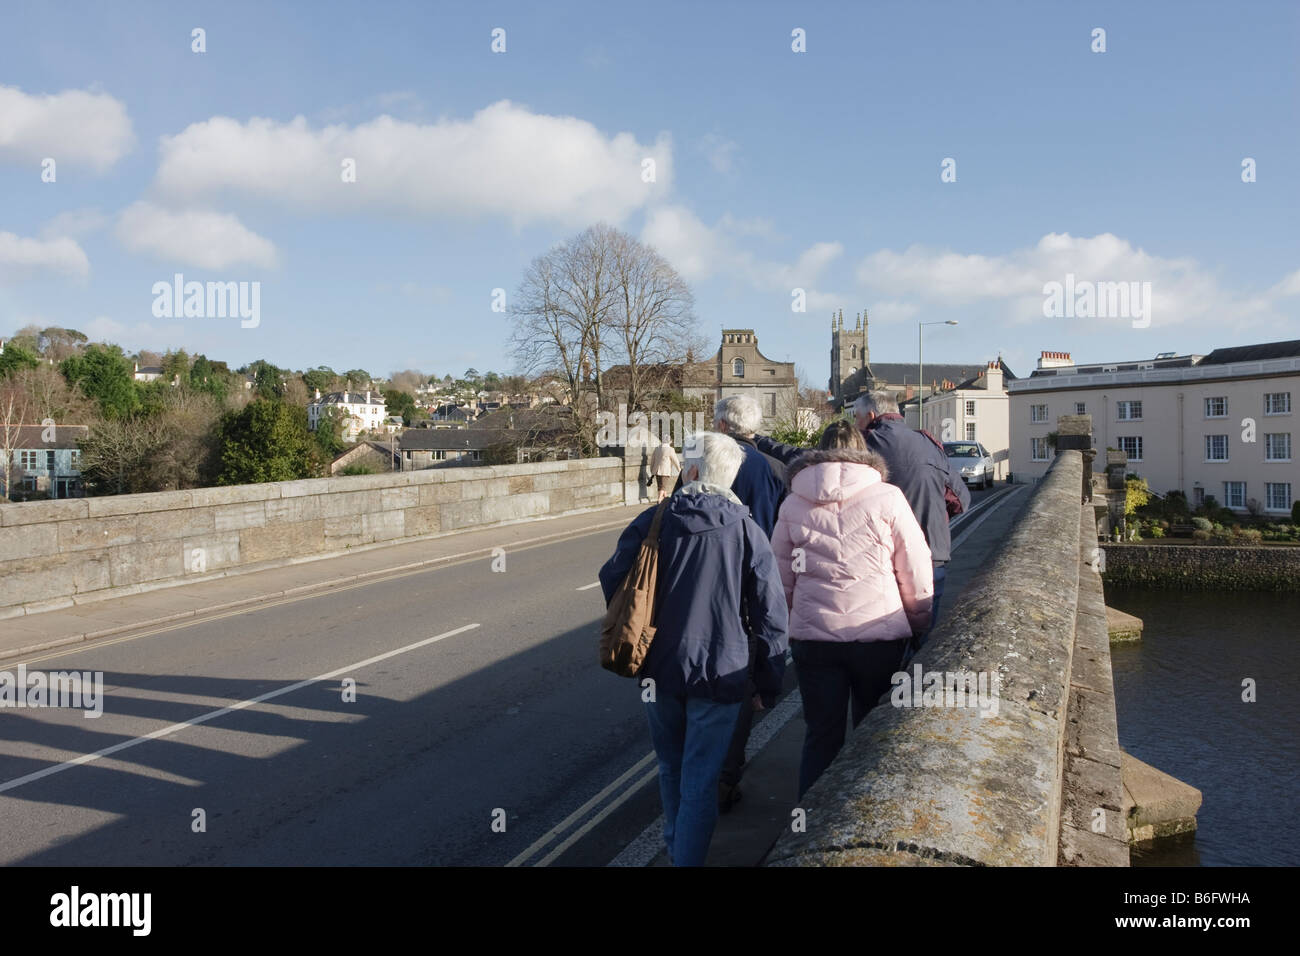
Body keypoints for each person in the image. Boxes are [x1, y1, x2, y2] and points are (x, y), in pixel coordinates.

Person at [598, 432, 788, 866]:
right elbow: (771, 614)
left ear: (693, 471)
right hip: (721, 673)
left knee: (670, 769)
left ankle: (675, 846)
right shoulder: (747, 529)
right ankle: (685, 858)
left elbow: (613, 578)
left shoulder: (654, 520)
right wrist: (769, 684)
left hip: (657, 670)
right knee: (701, 782)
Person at [770, 421, 933, 797]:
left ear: (818, 452)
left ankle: (808, 829)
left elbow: (780, 577)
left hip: (814, 640)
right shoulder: (888, 497)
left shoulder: (793, 503)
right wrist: (918, 620)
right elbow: (916, 566)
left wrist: (791, 622)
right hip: (879, 636)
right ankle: (862, 812)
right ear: (864, 451)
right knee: (873, 732)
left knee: (821, 735)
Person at [757, 390, 969, 633]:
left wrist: (761, 441)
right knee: (922, 646)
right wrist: (930, 518)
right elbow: (961, 500)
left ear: (870, 415)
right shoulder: (929, 444)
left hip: (878, 563)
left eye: (856, 418)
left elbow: (806, 457)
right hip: (932, 556)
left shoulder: (865, 444)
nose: (855, 424)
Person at [709, 395, 786, 811]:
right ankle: (725, 776)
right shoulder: (771, 468)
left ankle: (705, 777)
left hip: (707, 585)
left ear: (722, 425)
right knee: (740, 681)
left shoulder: (700, 461)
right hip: (750, 584)